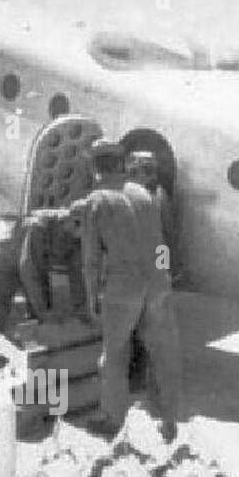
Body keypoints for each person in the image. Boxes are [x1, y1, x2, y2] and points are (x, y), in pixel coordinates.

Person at [78, 140, 183, 442]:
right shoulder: (142, 193)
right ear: (120, 163)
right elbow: (160, 242)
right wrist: (163, 277)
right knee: (163, 354)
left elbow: (91, 258)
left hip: (123, 287)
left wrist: (91, 296)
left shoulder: (96, 200)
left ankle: (112, 419)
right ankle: (169, 419)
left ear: (95, 167)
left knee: (114, 355)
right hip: (157, 283)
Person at [0, 209, 88, 334]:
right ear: (71, 221)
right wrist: (44, 313)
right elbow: (30, 273)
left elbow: (76, 275)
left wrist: (81, 308)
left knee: (39, 320)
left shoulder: (76, 238)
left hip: (37, 269)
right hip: (5, 266)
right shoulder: (39, 227)